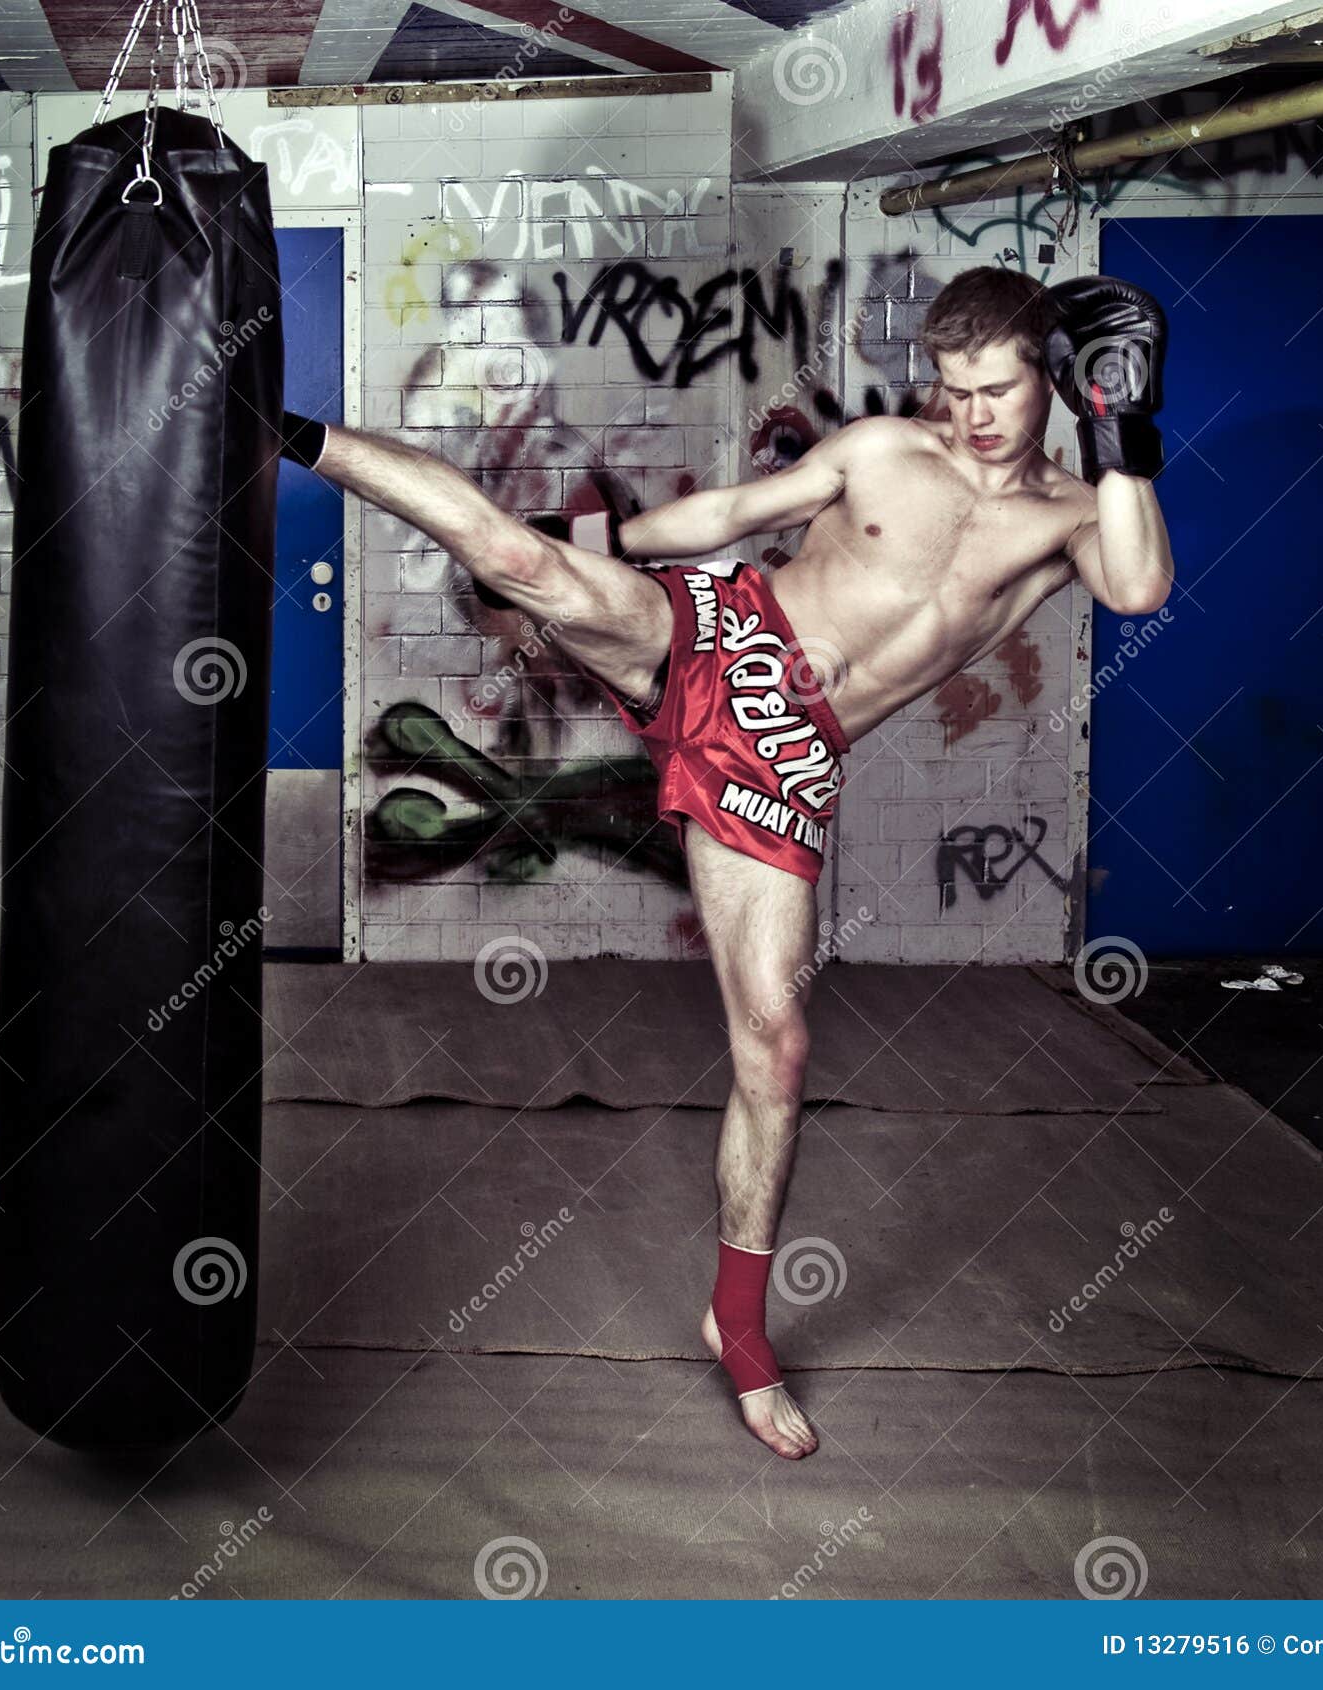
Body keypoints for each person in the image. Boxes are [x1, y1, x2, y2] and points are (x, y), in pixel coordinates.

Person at [278, 266, 1175, 1460]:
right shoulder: (883, 450)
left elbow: (1139, 586)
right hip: (726, 635)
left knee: (776, 1045)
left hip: (789, 755)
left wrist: (1122, 433)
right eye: (953, 388)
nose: (970, 415)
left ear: (1051, 382)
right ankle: (279, 427)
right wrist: (592, 544)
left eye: (997, 391)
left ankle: (738, 1329)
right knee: (520, 562)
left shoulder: (1069, 517)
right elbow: (733, 516)